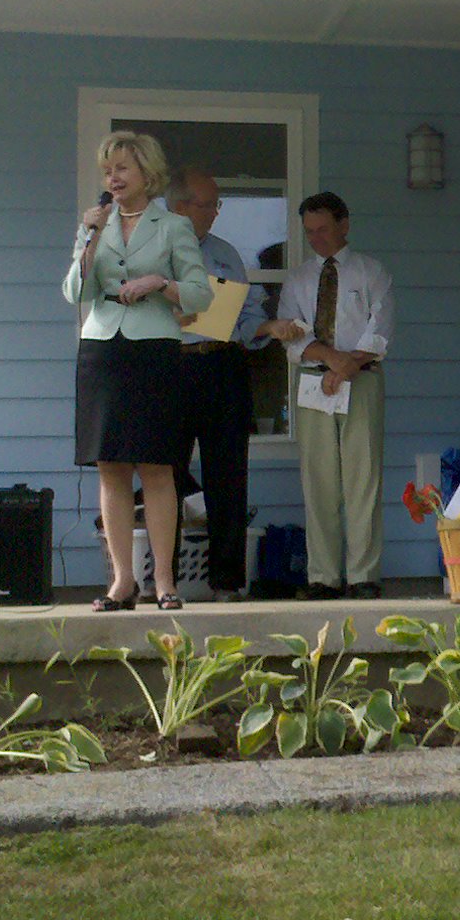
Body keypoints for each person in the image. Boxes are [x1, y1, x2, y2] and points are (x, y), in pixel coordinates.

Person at [64, 131, 212, 611]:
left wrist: (160, 282)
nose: (113, 177)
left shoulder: (173, 227)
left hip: (154, 350)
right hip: (103, 349)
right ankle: (122, 581)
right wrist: (88, 241)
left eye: (122, 168)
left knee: (157, 465)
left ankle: (164, 581)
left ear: (147, 173)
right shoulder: (94, 226)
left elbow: (200, 295)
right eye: (108, 170)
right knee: (111, 466)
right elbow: (74, 293)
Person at [264, 192, 394, 598]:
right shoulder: (299, 278)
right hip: (314, 380)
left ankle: (363, 575)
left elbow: (381, 331)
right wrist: (331, 360)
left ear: (344, 224)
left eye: (323, 230)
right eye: (309, 233)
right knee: (318, 479)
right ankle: (323, 576)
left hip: (362, 378)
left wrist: (347, 365)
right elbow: (293, 337)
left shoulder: (372, 272)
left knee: (362, 477)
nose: (317, 239)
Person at [161, 168, 269, 601]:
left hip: (221, 365)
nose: (214, 214)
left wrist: (265, 328)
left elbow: (248, 313)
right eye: (207, 205)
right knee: (166, 473)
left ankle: (227, 581)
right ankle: (164, 582)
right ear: (180, 206)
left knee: (229, 474)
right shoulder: (156, 246)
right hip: (171, 365)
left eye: (217, 205)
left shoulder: (225, 252)